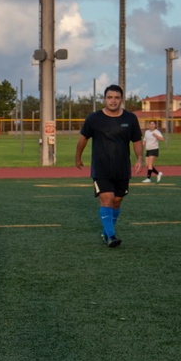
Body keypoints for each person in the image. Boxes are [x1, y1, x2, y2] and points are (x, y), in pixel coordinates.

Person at [74, 84, 143, 248]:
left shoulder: (130, 118)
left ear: (121, 100)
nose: (113, 101)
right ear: (104, 99)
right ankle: (111, 236)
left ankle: (106, 232)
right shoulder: (93, 118)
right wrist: (78, 158)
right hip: (101, 168)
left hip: (122, 168)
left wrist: (139, 158)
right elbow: (83, 139)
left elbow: (137, 141)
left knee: (117, 201)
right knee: (107, 200)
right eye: (110, 97)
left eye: (116, 98)